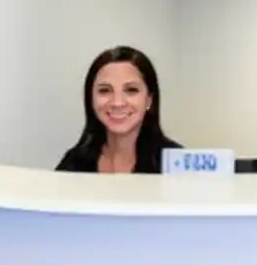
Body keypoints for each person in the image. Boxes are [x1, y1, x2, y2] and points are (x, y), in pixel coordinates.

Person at [56, 45, 182, 174]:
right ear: (91, 99)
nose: (117, 103)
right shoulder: (74, 162)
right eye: (105, 90)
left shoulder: (177, 163)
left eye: (131, 90)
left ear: (149, 100)